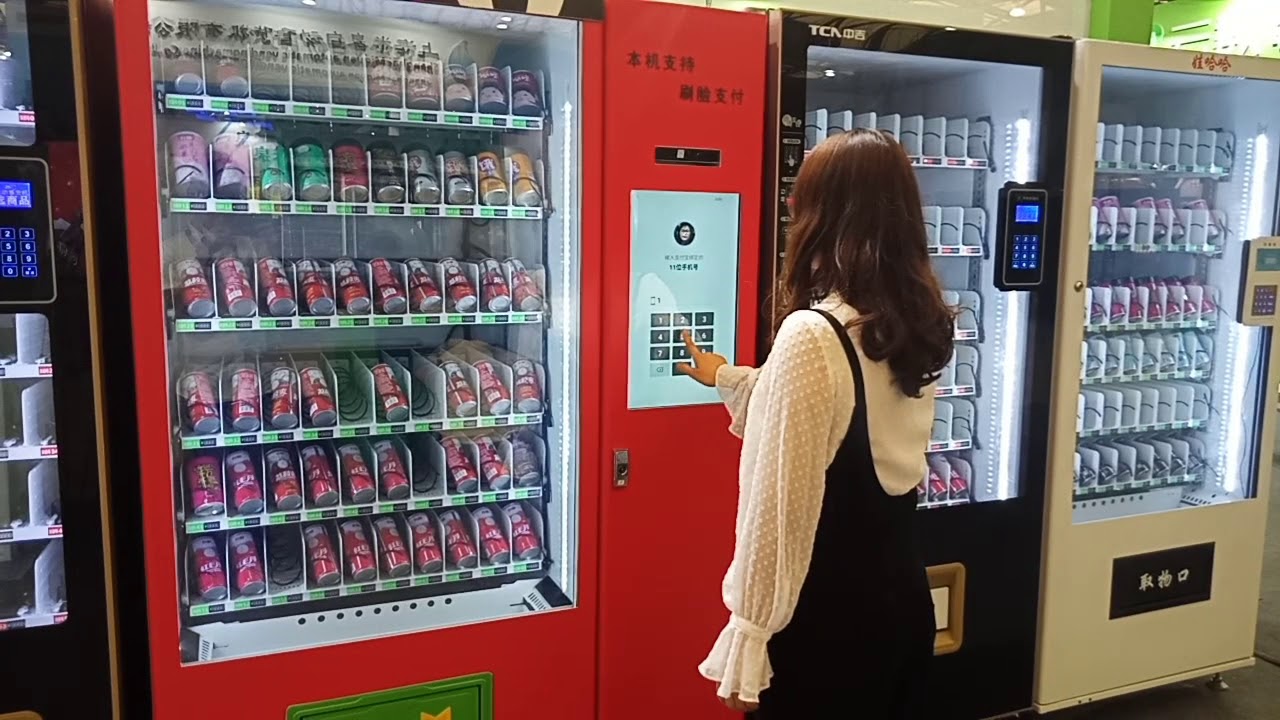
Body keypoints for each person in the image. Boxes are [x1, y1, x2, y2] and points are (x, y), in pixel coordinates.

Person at [676, 128, 955, 718]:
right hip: (901, 606)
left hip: (826, 626)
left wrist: (749, 635)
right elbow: (836, 421)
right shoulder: (914, 322)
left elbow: (778, 509)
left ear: (823, 216)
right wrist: (727, 376)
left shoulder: (813, 334)